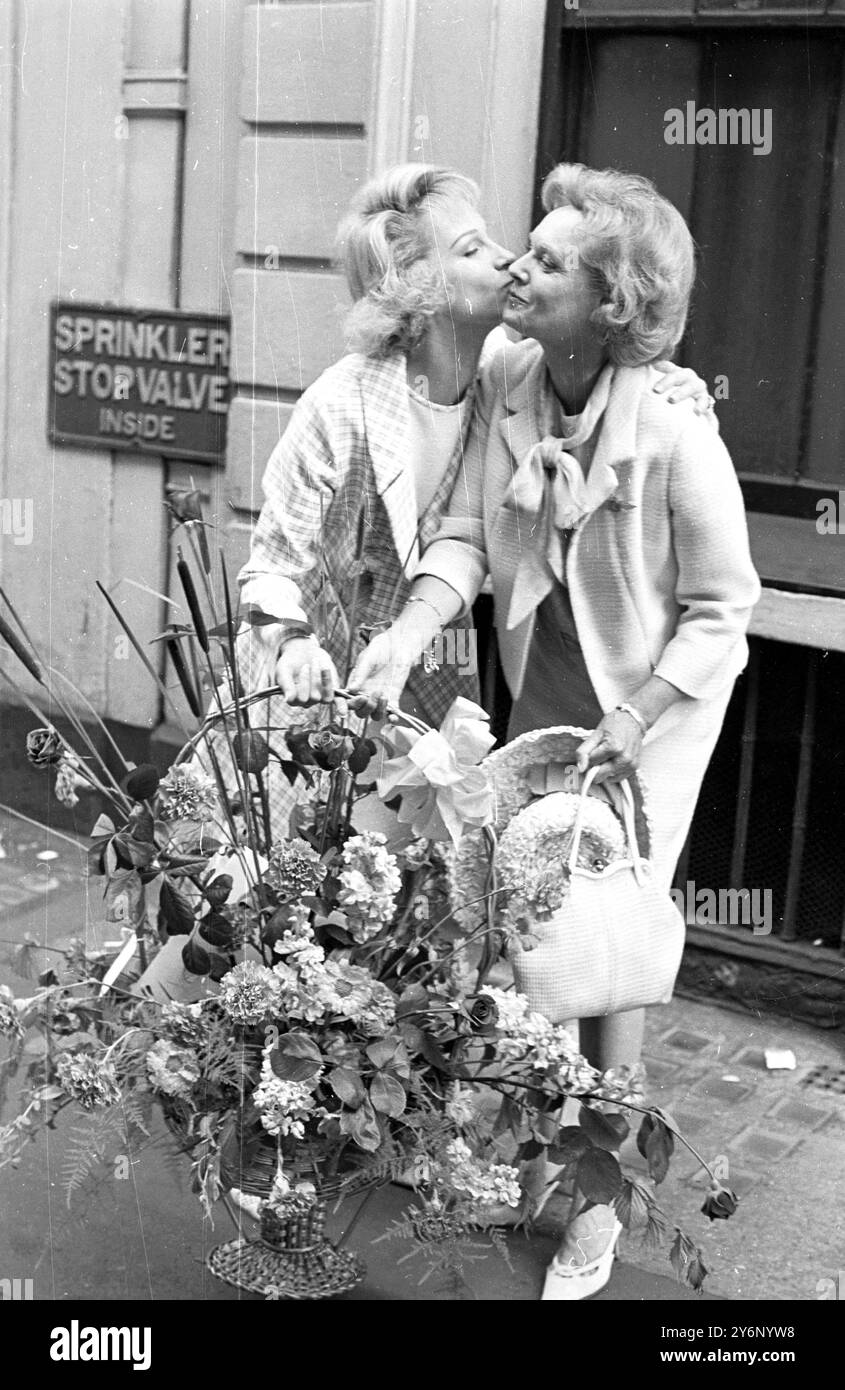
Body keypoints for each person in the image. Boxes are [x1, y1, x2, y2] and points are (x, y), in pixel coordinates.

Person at [350, 162, 761, 1297]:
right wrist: (406, 632)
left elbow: (729, 605)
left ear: (613, 303)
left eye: (549, 258)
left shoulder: (676, 432)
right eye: (519, 246)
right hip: (546, 694)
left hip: (648, 721)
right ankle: (532, 1146)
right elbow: (474, 538)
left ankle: (594, 1205)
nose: (521, 266)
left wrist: (633, 715)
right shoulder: (514, 373)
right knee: (524, 924)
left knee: (603, 950)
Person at [235, 163, 709, 779]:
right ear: (417, 284)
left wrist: (670, 381)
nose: (509, 259)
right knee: (296, 863)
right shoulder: (339, 403)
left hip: (428, 676)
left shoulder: (508, 376)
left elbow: (602, 368)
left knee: (413, 864)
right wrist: (295, 644)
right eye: (472, 248)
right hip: (306, 689)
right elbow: (270, 568)